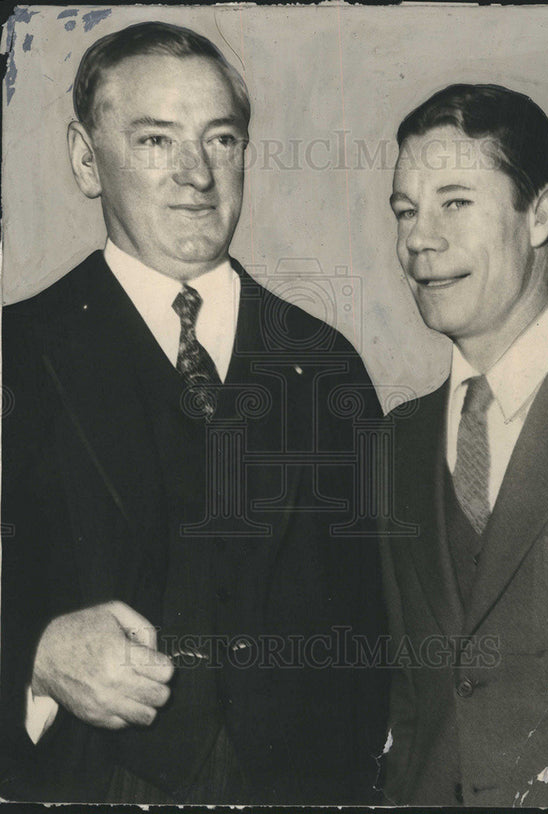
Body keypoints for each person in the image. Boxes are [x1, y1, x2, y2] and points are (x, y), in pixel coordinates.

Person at [0, 21, 387, 804]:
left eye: (220, 139)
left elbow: (382, 624)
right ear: (86, 160)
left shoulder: (325, 361)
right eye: (153, 140)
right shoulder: (17, 352)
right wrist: (32, 655)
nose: (195, 175)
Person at [380, 84, 548, 807]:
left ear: (539, 212)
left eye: (454, 202)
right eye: (406, 211)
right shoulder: (396, 444)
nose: (420, 239)